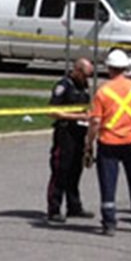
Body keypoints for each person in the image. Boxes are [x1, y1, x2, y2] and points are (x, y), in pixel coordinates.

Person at [86, 49, 131, 236]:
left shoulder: (103, 91)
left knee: (108, 186)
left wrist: (88, 144)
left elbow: (95, 122)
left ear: (109, 68)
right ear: (125, 68)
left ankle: (109, 224)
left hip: (108, 144)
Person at [46, 57, 95, 223]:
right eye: (86, 75)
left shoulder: (84, 86)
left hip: (80, 132)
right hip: (65, 132)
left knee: (76, 170)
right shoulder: (64, 86)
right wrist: (76, 116)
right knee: (61, 170)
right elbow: (52, 111)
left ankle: (74, 206)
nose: (87, 79)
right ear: (78, 71)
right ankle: (54, 208)